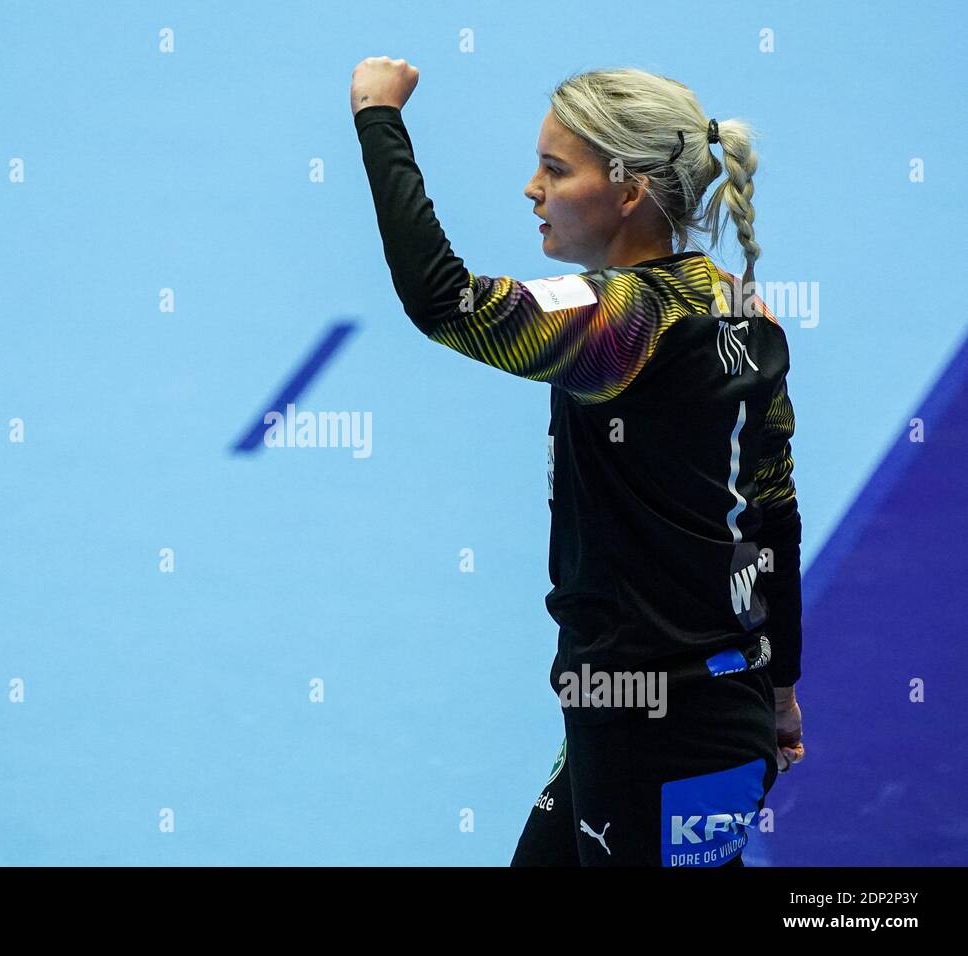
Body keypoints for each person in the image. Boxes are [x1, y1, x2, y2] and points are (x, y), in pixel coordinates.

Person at [352, 58, 805, 867]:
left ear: (628, 190)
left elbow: (441, 298)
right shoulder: (745, 310)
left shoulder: (622, 323)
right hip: (668, 705)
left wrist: (378, 118)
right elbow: (774, 513)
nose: (533, 188)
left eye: (556, 170)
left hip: (662, 729)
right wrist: (780, 687)